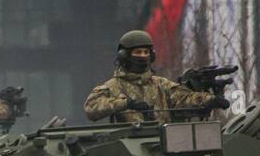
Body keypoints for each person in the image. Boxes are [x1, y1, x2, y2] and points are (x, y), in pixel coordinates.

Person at [84, 30, 222, 124]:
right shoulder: (112, 87)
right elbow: (91, 108)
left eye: (146, 52)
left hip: (165, 146)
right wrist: (125, 104)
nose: (143, 56)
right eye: (138, 52)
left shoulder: (161, 84)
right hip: (129, 150)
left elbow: (183, 98)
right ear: (124, 56)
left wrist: (209, 99)